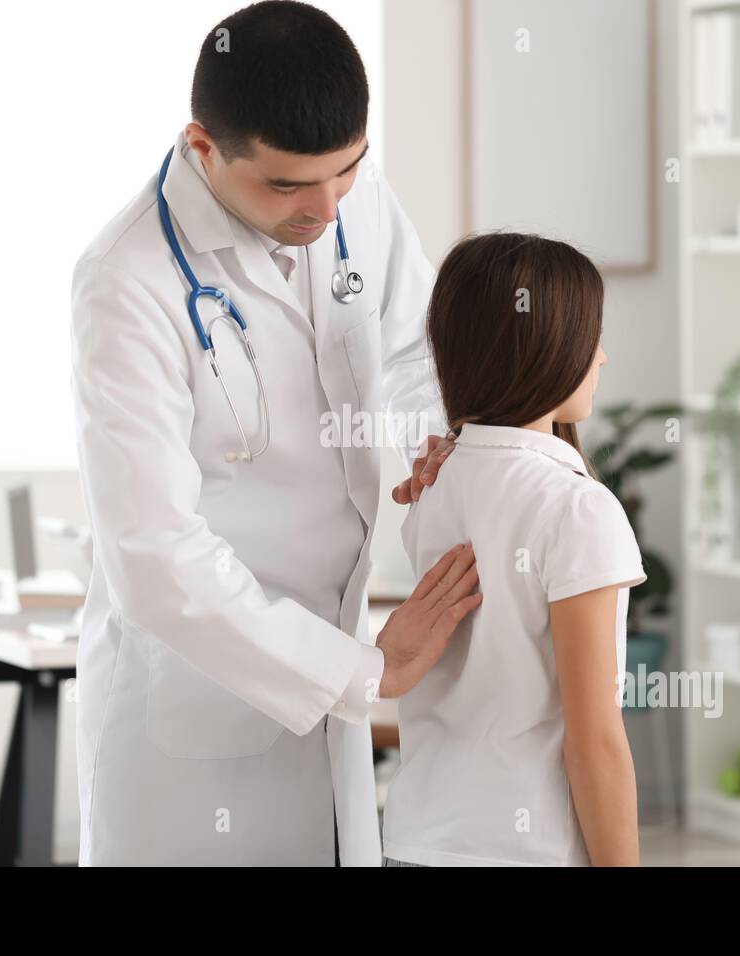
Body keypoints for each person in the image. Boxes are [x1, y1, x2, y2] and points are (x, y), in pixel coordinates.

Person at [69, 1, 472, 866]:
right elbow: (154, 557)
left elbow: (413, 349)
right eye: (287, 186)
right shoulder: (126, 281)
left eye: (349, 171)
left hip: (332, 694)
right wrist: (363, 673)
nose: (326, 209)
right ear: (204, 147)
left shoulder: (355, 204)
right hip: (195, 710)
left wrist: (435, 434)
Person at [381, 233, 645, 866]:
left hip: (416, 840)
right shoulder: (577, 507)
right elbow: (596, 741)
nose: (602, 357)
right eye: (591, 337)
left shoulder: (433, 485)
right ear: (546, 349)